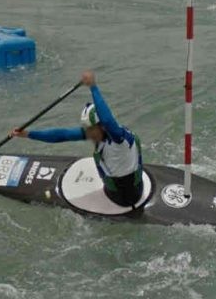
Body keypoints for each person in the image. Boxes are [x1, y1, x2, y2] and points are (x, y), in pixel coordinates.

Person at [11, 70, 145, 209]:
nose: (88, 133)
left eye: (90, 128)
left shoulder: (119, 140)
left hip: (122, 198)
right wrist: (28, 134)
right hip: (133, 186)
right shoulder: (101, 133)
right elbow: (62, 135)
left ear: (101, 127)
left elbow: (107, 119)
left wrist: (93, 86)